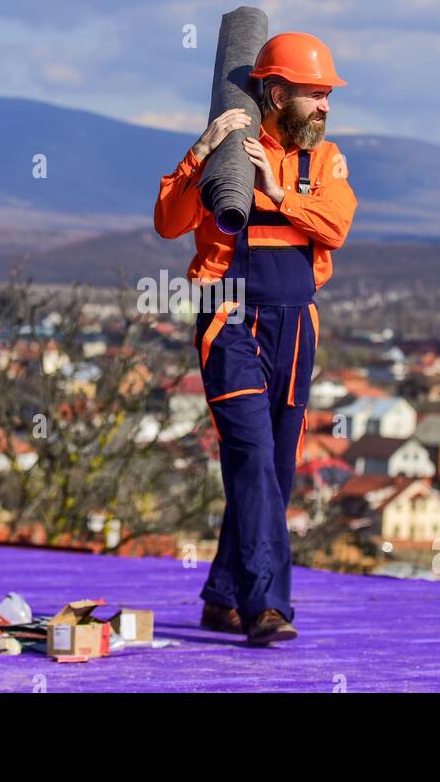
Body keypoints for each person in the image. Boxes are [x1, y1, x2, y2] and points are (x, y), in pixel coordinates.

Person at [153, 32, 357, 644]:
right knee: (250, 456)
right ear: (275, 93)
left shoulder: (323, 161)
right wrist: (202, 152)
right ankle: (266, 605)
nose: (324, 106)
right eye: (313, 94)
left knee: (275, 469)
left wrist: (279, 194)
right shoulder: (228, 152)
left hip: (297, 324)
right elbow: (168, 224)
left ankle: (221, 596)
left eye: (327, 95)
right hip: (229, 319)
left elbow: (338, 225)